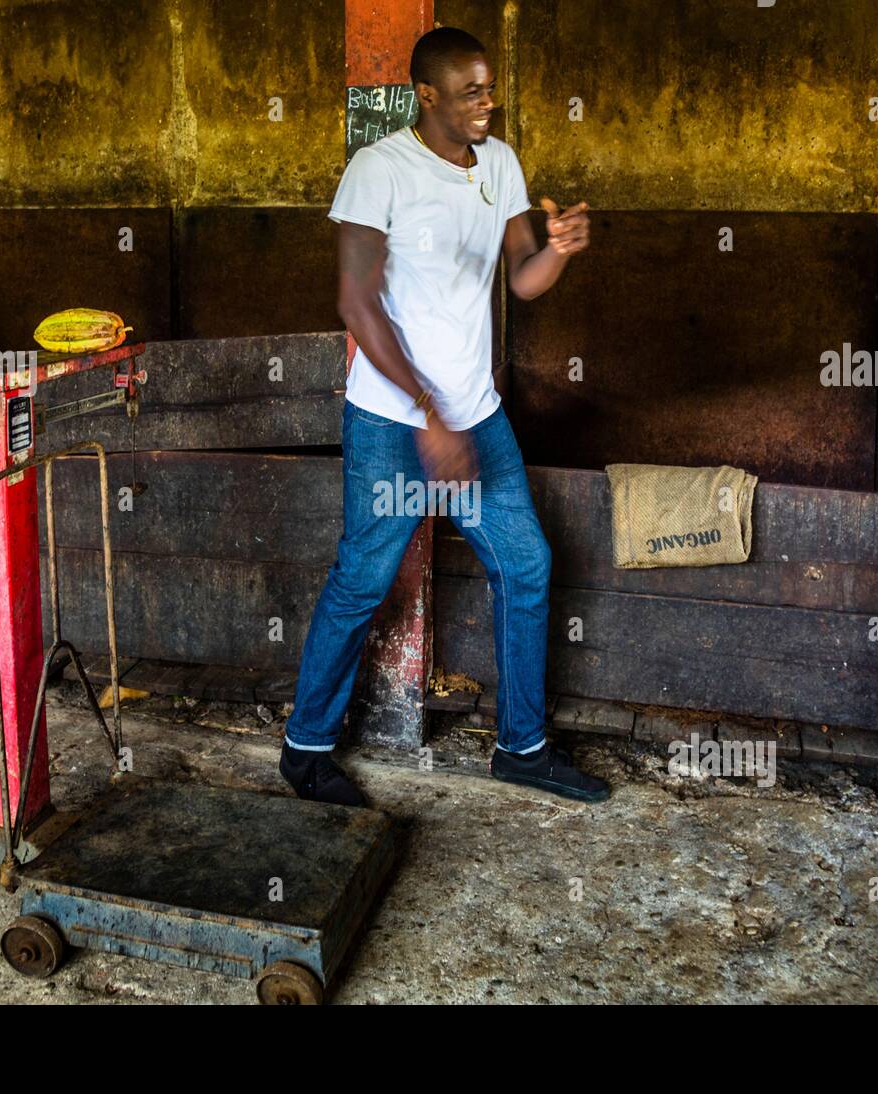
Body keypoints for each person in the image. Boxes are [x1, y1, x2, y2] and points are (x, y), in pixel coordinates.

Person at [279, 26, 607, 807]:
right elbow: (356, 303)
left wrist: (557, 247)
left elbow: (523, 279)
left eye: (490, 89)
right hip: (397, 420)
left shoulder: (499, 163)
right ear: (427, 95)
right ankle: (306, 748)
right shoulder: (379, 170)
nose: (486, 103)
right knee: (363, 579)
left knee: (525, 563)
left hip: (476, 417)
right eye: (470, 92)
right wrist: (426, 413)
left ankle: (521, 747)